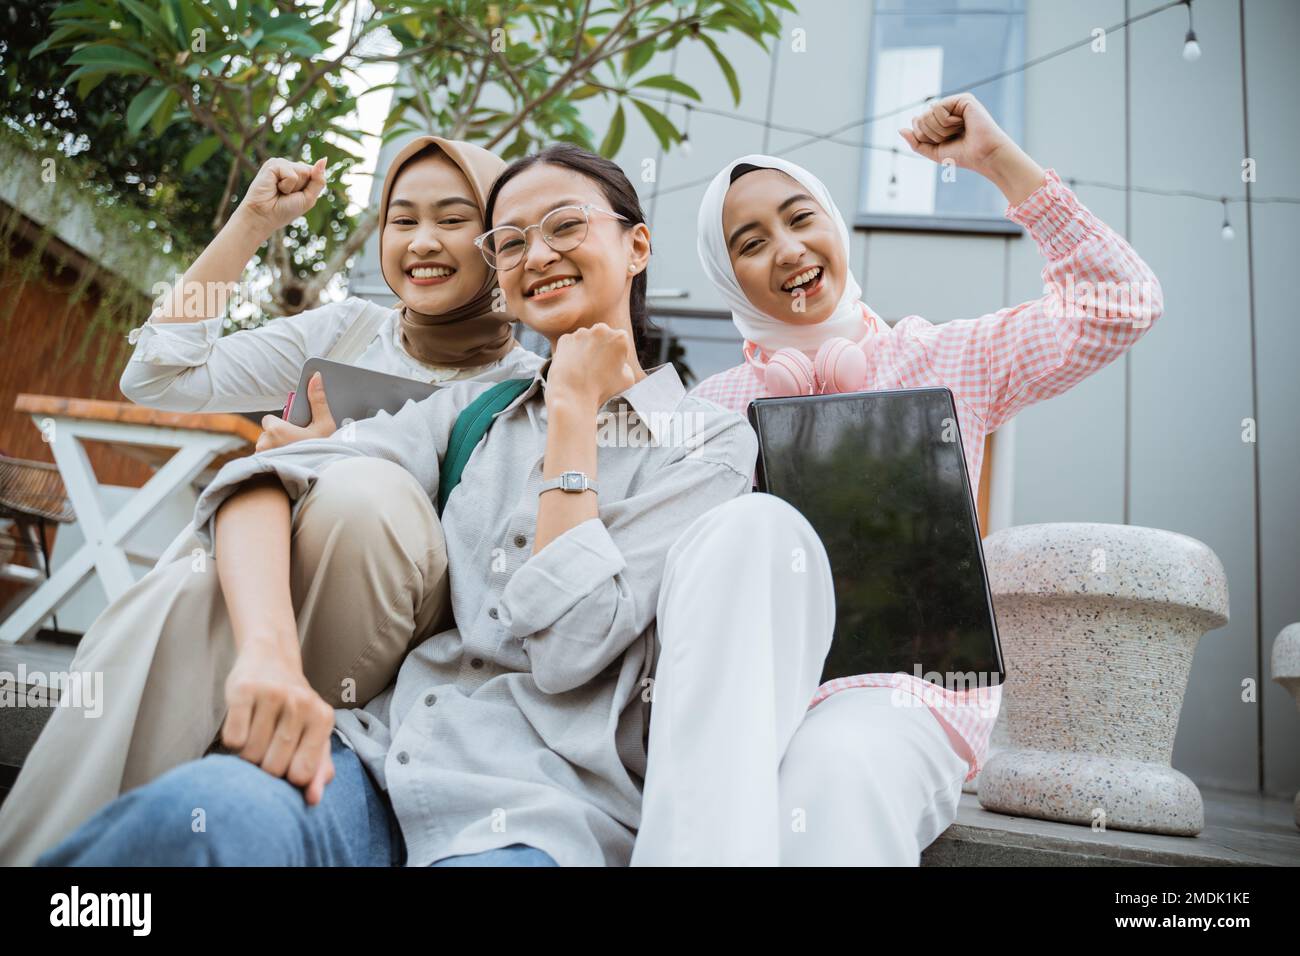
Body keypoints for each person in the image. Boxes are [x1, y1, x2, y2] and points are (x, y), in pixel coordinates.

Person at [33, 144, 757, 867]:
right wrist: (272, 660)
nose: (536, 254)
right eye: (510, 240)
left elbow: (570, 647)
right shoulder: (478, 408)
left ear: (636, 245)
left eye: (565, 227)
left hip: (541, 810)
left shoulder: (708, 444)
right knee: (195, 821)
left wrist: (572, 415)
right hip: (376, 756)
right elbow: (262, 477)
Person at [632, 92, 1164, 866]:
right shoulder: (709, 410)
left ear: (835, 227)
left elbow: (1119, 303)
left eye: (799, 217)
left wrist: (995, 161)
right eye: (750, 241)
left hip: (903, 694)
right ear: (727, 274)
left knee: (835, 773)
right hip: (745, 697)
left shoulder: (946, 359)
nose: (786, 249)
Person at [0, 136, 544, 864]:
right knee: (169, 601)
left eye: (452, 219)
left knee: (362, 497)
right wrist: (250, 224)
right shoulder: (348, 329)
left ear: (496, 240)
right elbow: (158, 375)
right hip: (268, 596)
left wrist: (331, 459)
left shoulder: (532, 384)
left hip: (404, 640)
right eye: (401, 218)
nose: (421, 242)